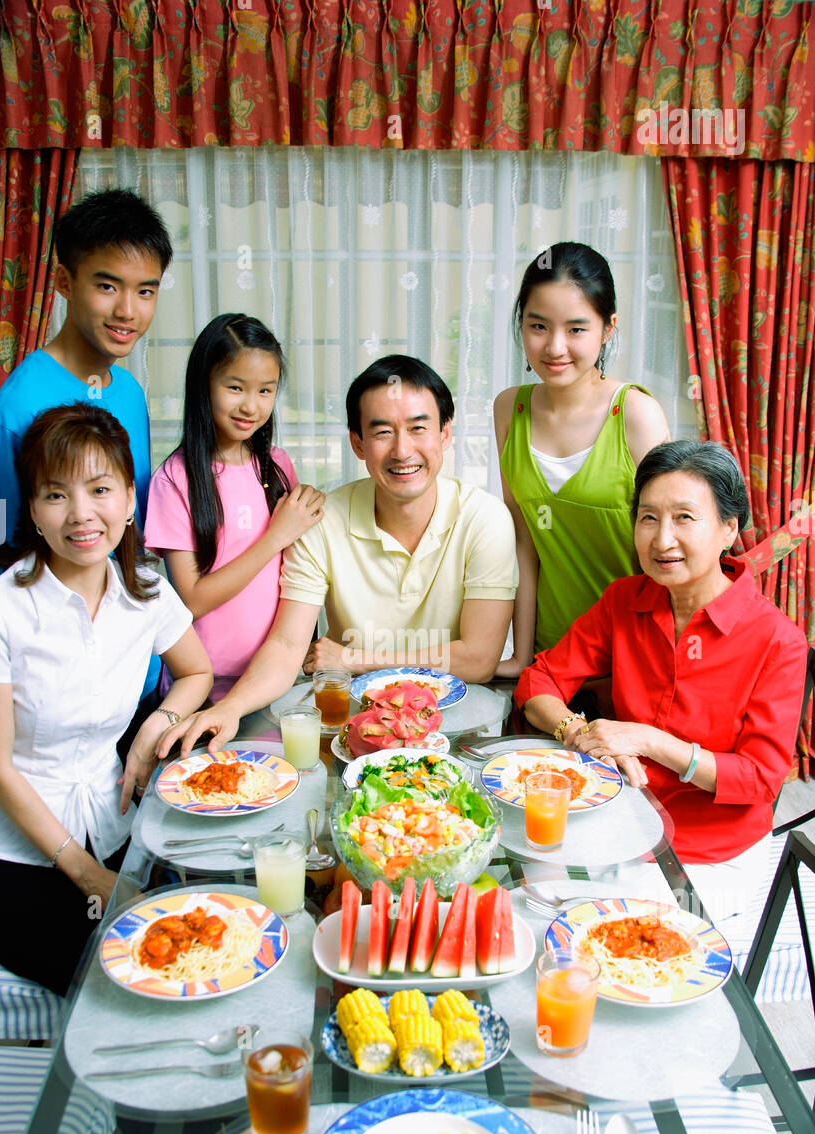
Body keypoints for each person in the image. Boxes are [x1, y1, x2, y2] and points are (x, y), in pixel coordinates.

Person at [0, 404, 212, 995]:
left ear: (128, 499)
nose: (82, 515)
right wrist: (88, 874)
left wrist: (156, 729)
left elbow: (197, 670)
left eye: (100, 489)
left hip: (114, 832)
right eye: (55, 495)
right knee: (131, 983)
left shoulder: (144, 588)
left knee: (199, 951)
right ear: (34, 512)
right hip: (10, 864)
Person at [159, 355, 518, 756]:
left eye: (418, 428)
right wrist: (231, 708)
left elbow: (478, 659)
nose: (403, 450)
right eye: (382, 432)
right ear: (358, 443)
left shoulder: (485, 519)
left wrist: (354, 658)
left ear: (445, 434)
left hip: (456, 729)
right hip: (351, 730)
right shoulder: (323, 520)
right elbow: (285, 644)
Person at [514, 439, 807, 928]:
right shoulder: (625, 599)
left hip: (707, 850)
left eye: (684, 518)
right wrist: (575, 731)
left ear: (729, 529)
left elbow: (760, 779)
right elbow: (538, 679)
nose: (661, 539)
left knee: (596, 940)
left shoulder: (778, 641)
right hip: (619, 817)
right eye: (648, 518)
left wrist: (650, 740)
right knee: (516, 895)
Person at [0, 187, 173, 707]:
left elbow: (129, 526)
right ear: (63, 283)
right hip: (49, 682)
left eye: (146, 291)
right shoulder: (12, 409)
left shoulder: (128, 394)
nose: (128, 311)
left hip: (131, 664)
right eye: (106, 285)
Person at [494, 242, 670, 678]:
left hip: (636, 658)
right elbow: (525, 542)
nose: (555, 347)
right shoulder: (508, 409)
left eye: (576, 329)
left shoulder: (635, 414)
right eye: (538, 326)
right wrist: (521, 655)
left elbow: (672, 547)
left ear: (608, 328)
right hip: (552, 658)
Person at [144, 314, 325, 702]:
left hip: (275, 684)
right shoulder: (175, 480)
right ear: (204, 385)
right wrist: (275, 536)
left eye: (265, 391)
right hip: (201, 689)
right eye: (235, 387)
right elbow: (192, 599)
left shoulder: (277, 466)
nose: (250, 406)